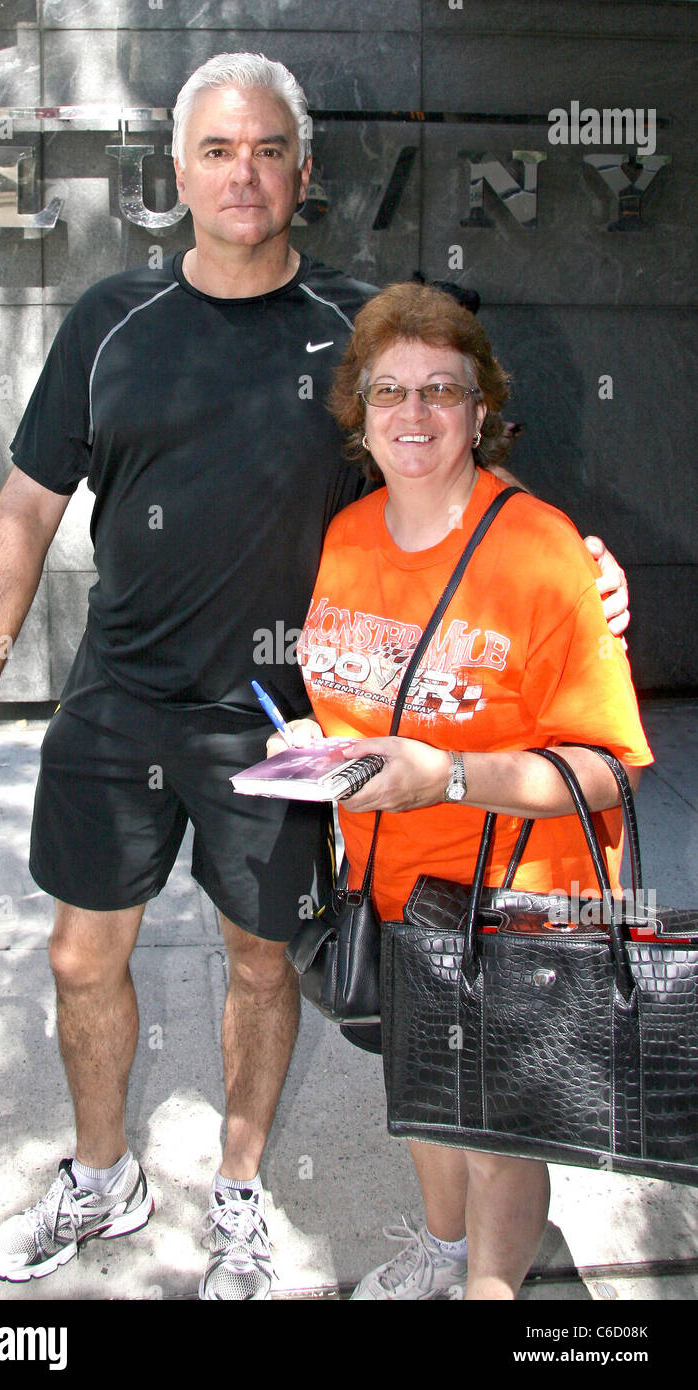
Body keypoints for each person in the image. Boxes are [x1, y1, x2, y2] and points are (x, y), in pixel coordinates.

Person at [0, 55, 630, 1302]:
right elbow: (25, 510)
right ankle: (102, 1174)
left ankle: (239, 1190)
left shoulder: (358, 327)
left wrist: (571, 553)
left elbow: (443, 455)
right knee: (81, 958)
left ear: (302, 173)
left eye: (265, 151)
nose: (240, 174)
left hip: (279, 725)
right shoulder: (109, 322)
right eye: (215, 150)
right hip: (116, 701)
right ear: (176, 172)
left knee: (260, 964)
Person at [267, 281, 652, 1300]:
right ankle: (443, 1248)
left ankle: (492, 1285)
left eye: (442, 389)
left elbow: (606, 767)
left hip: (514, 909)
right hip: (390, 895)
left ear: (481, 411)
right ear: (357, 413)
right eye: (388, 390)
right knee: (422, 1100)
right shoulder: (348, 535)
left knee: (495, 1134)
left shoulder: (542, 550)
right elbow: (359, 696)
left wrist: (443, 774)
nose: (414, 413)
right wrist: (315, 744)